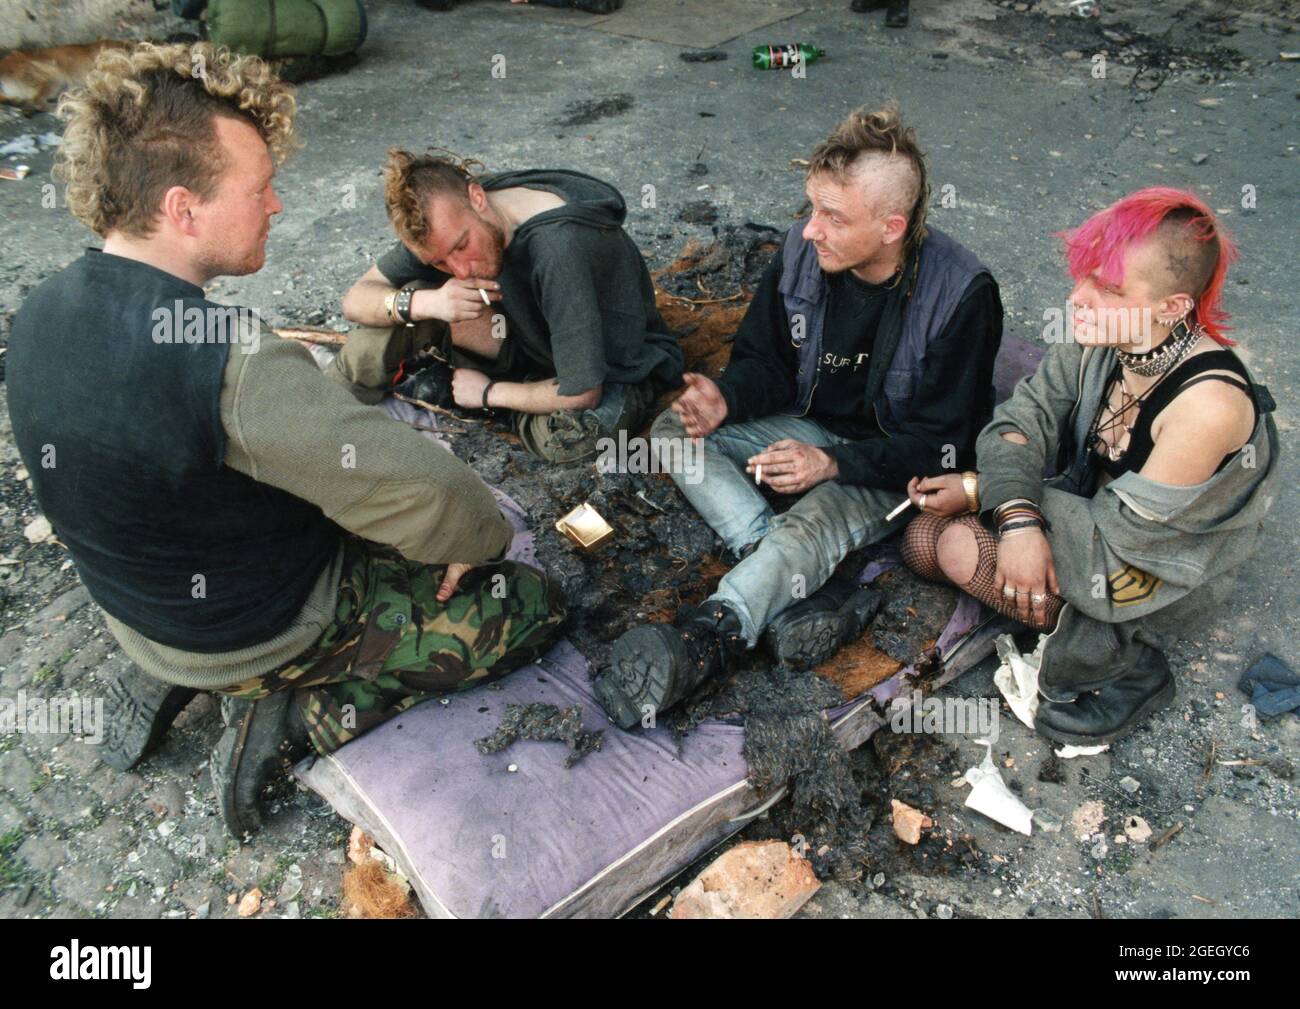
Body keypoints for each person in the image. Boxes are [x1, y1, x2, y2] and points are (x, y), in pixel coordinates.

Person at [6, 42, 565, 836]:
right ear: (181, 208)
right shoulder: (231, 360)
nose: (276, 208)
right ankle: (301, 717)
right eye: (261, 189)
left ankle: (171, 673)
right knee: (532, 605)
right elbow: (431, 493)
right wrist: (483, 536)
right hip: (258, 629)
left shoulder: (40, 311)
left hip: (139, 612)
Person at [594, 104, 1004, 729]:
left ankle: (710, 635)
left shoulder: (963, 295)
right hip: (806, 430)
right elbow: (767, 362)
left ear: (892, 226)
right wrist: (728, 399)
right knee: (674, 431)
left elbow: (942, 446)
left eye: (833, 217)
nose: (812, 230)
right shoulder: (801, 252)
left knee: (810, 523)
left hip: (886, 464)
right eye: (812, 208)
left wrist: (833, 464)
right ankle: (792, 577)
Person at [899, 187, 1279, 745]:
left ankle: (1131, 665)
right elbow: (1020, 422)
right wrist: (1016, 510)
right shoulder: (1106, 335)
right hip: (1085, 512)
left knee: (957, 547)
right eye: (1083, 278)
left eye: (1107, 288)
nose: (1078, 298)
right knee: (923, 536)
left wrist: (995, 501)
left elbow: (1125, 543)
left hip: (1154, 568)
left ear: (1171, 307)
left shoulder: (1207, 406)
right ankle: (1033, 586)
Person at [336, 149, 682, 462]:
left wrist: (488, 393)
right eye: (439, 261)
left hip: (605, 370)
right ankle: (325, 409)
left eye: (461, 247)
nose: (459, 270)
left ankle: (481, 400)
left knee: (574, 439)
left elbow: (583, 393)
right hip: (523, 335)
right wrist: (428, 301)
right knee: (405, 302)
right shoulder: (451, 218)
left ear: (477, 197)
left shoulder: (560, 248)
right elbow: (356, 299)